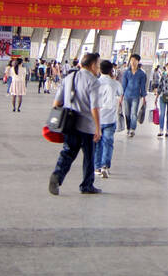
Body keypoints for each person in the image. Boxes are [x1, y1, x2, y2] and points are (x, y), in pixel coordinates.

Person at [49, 52, 103, 195]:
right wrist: (98, 128)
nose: (98, 68)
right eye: (98, 65)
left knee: (67, 152)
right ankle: (87, 185)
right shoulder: (93, 82)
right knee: (89, 156)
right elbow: (94, 107)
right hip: (87, 126)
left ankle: (57, 176)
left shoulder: (69, 78)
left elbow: (57, 103)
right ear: (92, 66)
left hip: (69, 124)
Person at [95, 59, 123, 177]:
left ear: (99, 69)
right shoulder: (115, 83)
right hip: (110, 118)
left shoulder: (95, 82)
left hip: (97, 118)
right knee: (108, 143)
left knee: (97, 143)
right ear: (111, 70)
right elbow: (120, 93)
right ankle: (105, 166)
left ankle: (96, 167)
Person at [121, 53, 147, 139]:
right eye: (131, 60)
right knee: (127, 113)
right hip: (126, 95)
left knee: (133, 113)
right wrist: (121, 96)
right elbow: (124, 85)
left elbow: (143, 86)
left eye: (134, 61)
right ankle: (128, 128)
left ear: (138, 62)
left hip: (136, 96)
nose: (132, 62)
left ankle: (132, 129)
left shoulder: (142, 74)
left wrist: (144, 97)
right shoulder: (126, 72)